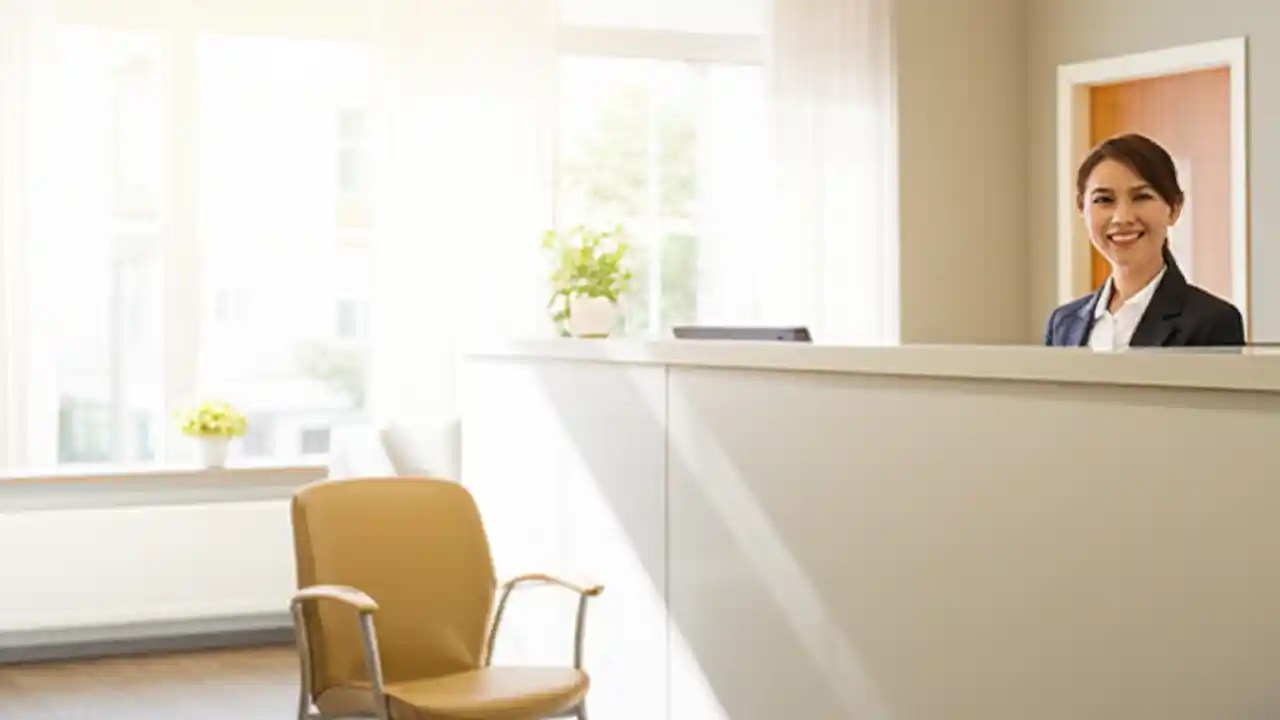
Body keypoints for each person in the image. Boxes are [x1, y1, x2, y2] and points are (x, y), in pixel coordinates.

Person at [1044, 133, 1244, 348]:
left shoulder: (1211, 321)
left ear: (1174, 209)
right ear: (1082, 208)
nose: (1122, 218)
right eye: (1104, 200)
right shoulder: (1063, 323)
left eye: (1141, 197)